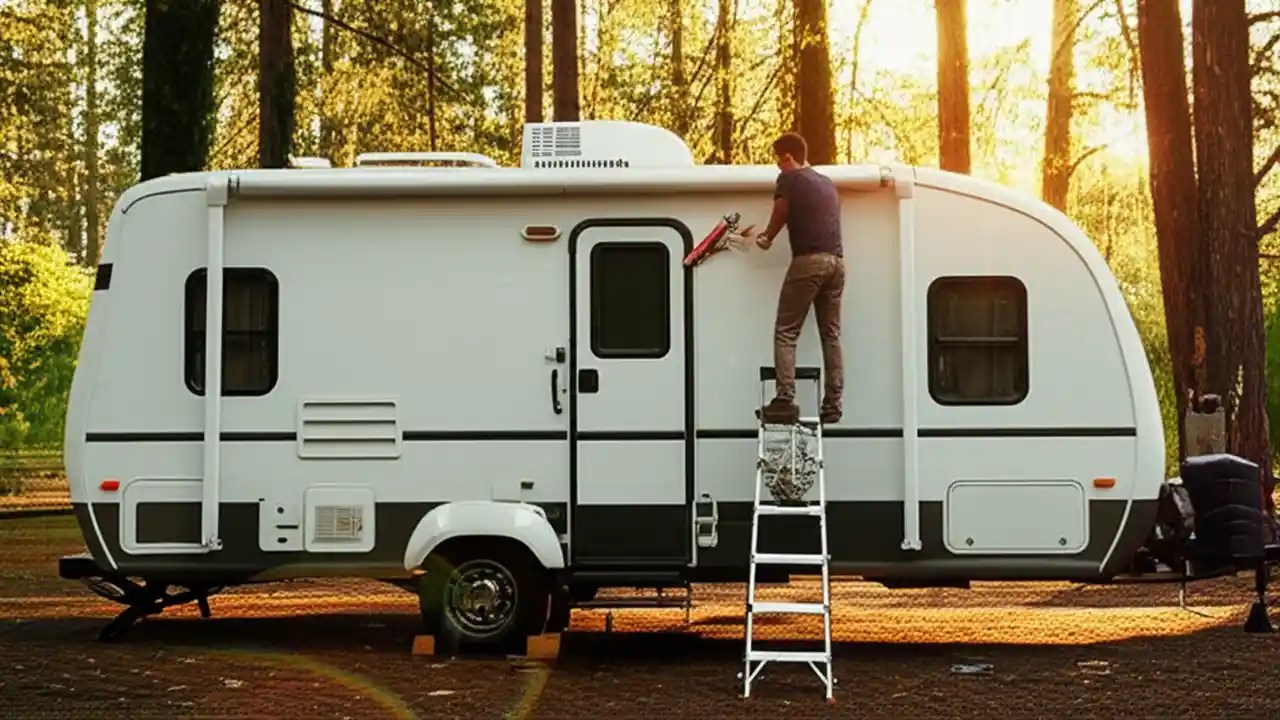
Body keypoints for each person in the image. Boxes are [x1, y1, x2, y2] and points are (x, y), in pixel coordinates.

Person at [743, 132, 846, 426]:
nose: (778, 167)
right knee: (831, 335)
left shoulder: (789, 180)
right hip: (837, 263)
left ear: (788, 157)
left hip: (809, 261)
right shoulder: (827, 183)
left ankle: (785, 397)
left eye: (779, 161)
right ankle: (833, 404)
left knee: (786, 330)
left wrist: (765, 238)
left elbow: (781, 211)